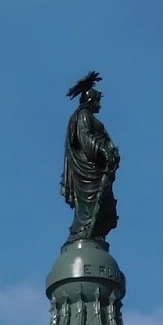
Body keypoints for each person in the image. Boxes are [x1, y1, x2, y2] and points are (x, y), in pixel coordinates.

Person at [61, 71, 120, 244]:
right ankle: (84, 231)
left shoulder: (86, 116)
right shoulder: (83, 116)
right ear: (90, 101)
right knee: (93, 204)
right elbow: (86, 138)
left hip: (98, 169)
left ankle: (94, 233)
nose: (99, 105)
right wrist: (103, 151)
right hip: (89, 171)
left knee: (105, 208)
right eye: (97, 101)